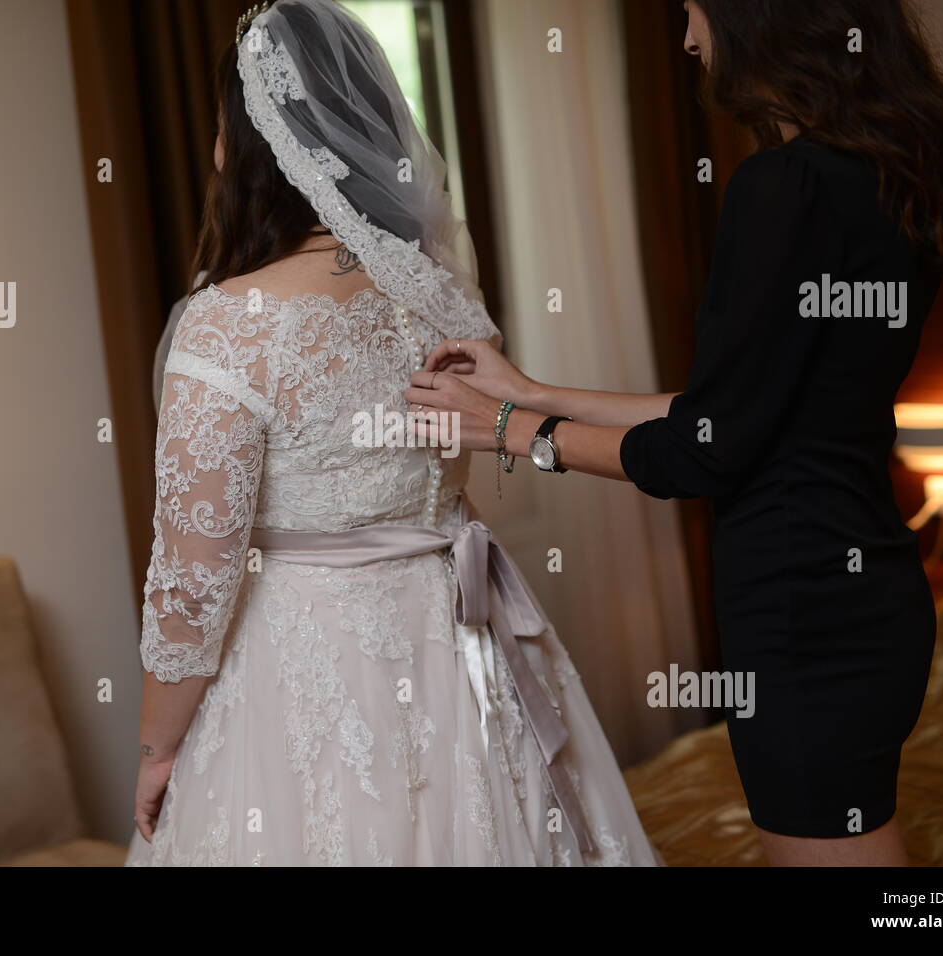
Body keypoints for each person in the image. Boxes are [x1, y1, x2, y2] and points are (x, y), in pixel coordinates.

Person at [407, 0, 943, 865]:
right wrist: (531, 391)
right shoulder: (881, 177)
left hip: (802, 608)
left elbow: (703, 449)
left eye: (694, 11)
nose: (688, 39)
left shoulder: (784, 184)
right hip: (868, 592)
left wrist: (511, 428)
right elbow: (733, 410)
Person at [125, 0, 659, 867]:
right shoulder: (438, 294)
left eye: (225, 128)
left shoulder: (225, 326)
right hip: (458, 639)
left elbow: (193, 583)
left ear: (250, 147)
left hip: (309, 666)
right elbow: (451, 483)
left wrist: (158, 750)